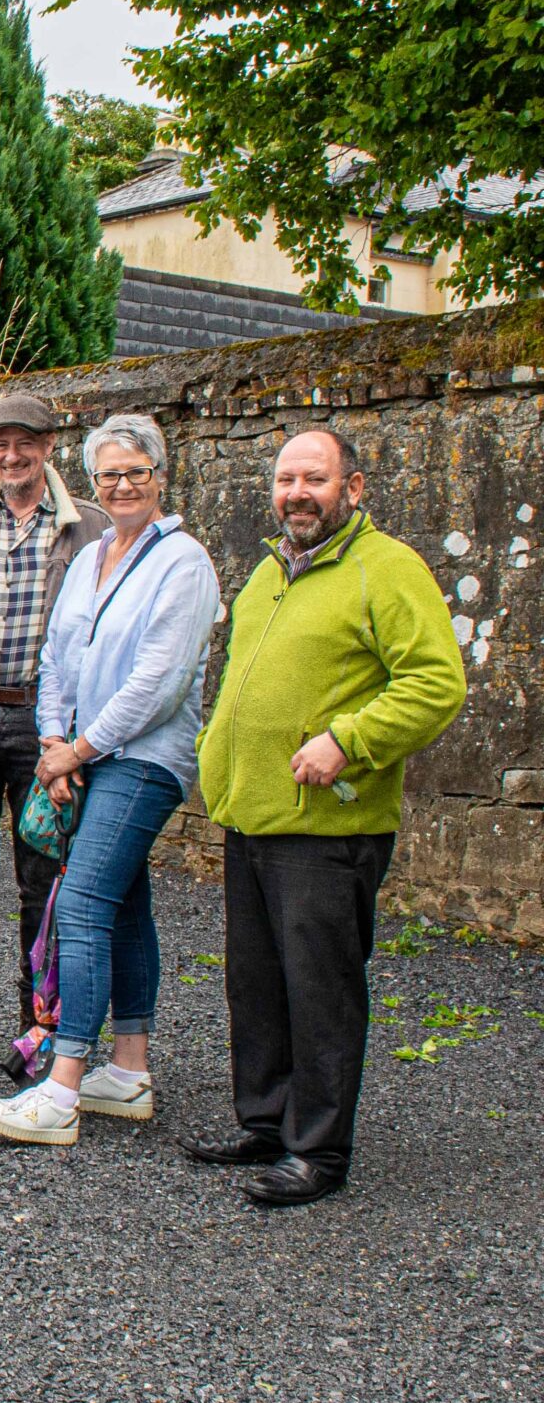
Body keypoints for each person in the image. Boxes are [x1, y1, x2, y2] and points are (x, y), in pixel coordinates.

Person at [185, 429, 465, 1205]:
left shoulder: (387, 567)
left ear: (354, 487)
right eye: (286, 479)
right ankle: (266, 1122)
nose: (297, 493)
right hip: (254, 815)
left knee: (320, 990)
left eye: (315, 477)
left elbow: (436, 681)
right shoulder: (269, 571)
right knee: (257, 985)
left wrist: (348, 740)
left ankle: (318, 1150)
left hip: (328, 826)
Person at [0, 416, 218, 1147]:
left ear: (161, 477)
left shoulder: (183, 562)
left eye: (137, 471)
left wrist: (76, 749)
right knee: (126, 903)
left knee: (78, 904)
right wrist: (53, 741)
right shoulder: (89, 557)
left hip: (143, 759)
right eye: (110, 474)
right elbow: (55, 656)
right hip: (80, 754)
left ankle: (62, 1084)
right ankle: (129, 1070)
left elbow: (160, 682)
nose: (123, 485)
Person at [0, 394, 111, 1072]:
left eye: (24, 442)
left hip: (45, 728)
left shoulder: (89, 527)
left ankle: (37, 1020)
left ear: (49, 445)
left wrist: (74, 736)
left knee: (41, 876)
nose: (12, 456)